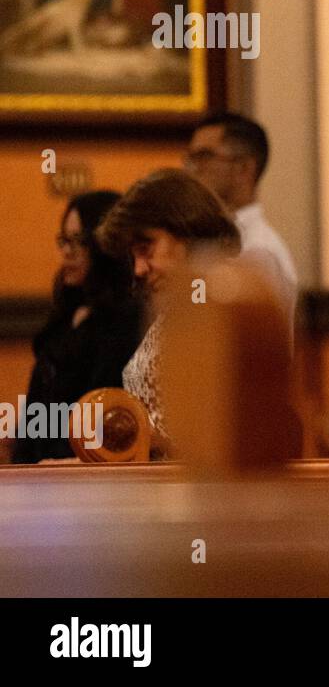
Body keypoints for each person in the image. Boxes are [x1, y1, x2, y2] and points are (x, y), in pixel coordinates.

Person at [96, 169, 242, 456]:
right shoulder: (177, 310)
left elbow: (222, 433)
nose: (137, 269)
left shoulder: (227, 307)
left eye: (146, 248)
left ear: (186, 231)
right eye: (133, 255)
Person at [12, 191, 143, 464]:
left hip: (86, 473)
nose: (67, 253)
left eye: (78, 242)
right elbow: (37, 410)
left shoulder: (126, 319)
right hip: (40, 470)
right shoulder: (67, 313)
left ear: (104, 246)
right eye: (64, 241)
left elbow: (108, 418)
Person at [184, 113, 298, 321]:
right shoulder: (207, 238)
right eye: (190, 158)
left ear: (243, 168)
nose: (192, 169)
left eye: (204, 157)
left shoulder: (259, 251)